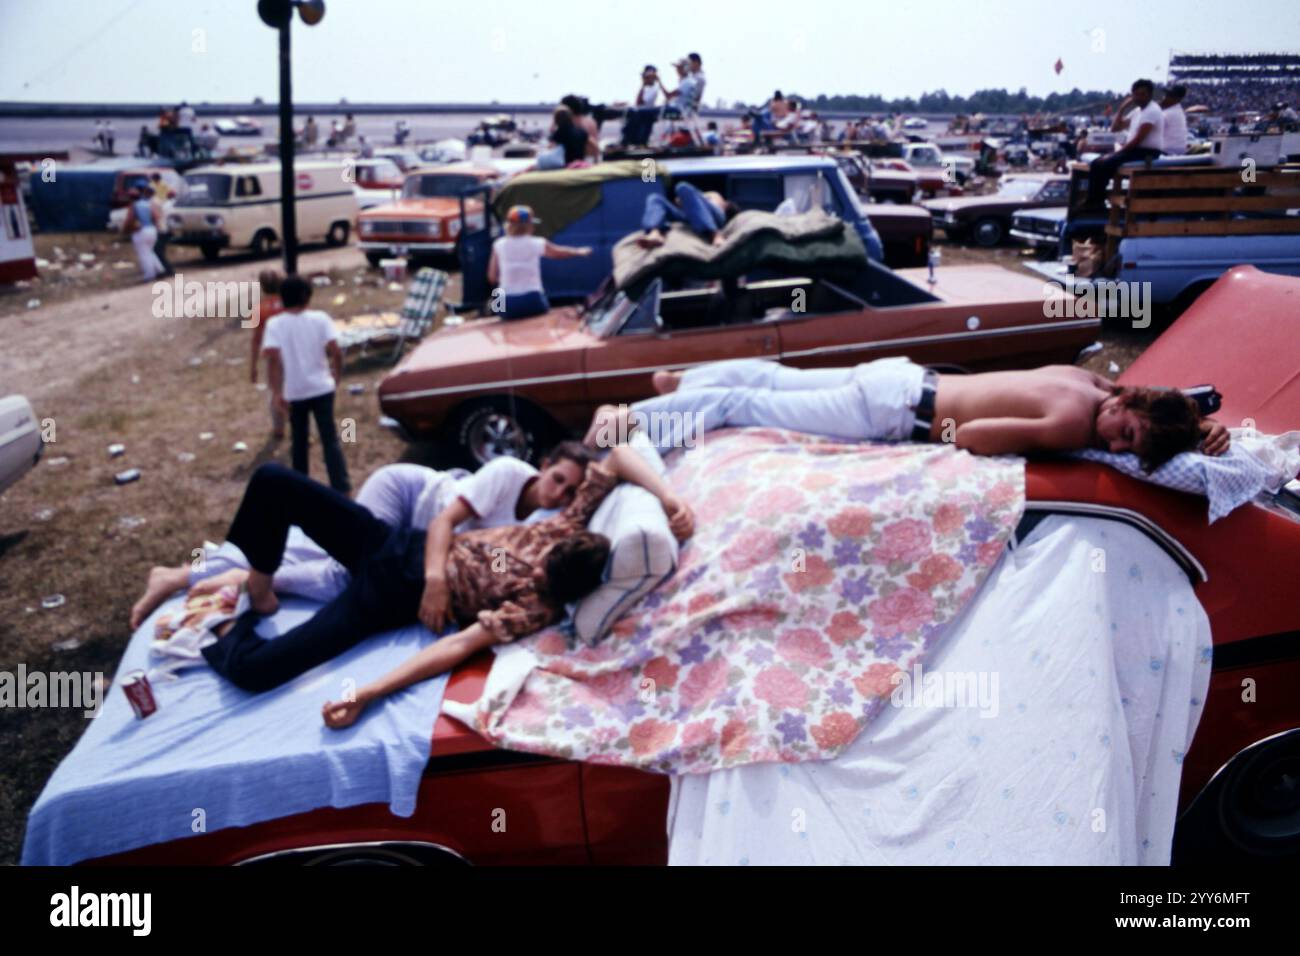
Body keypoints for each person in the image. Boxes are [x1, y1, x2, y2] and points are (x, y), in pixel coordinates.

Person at [195, 441, 692, 705]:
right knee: (273, 480)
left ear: (583, 589)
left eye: (580, 563)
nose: (568, 548)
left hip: (383, 597)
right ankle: (258, 588)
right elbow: (622, 452)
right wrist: (669, 499)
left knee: (257, 672)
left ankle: (225, 628)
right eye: (577, 543)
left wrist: (371, 691)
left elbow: (455, 646)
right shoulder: (560, 524)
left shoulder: (537, 609)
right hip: (391, 541)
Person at [130, 440, 599, 629]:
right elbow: (443, 524)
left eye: (571, 490)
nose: (559, 494)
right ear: (543, 466)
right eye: (557, 478)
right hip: (408, 497)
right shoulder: (506, 472)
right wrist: (437, 582)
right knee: (339, 574)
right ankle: (181, 577)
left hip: (409, 543)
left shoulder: (539, 526)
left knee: (321, 552)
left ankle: (234, 573)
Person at [622, 358, 1230, 472]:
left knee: (771, 376)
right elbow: (968, 437)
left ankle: (686, 380)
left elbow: (1161, 406)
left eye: (1127, 448)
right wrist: (1054, 449)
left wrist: (1198, 429)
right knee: (744, 407)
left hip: (906, 376)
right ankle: (634, 424)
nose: (1116, 448)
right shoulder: (1073, 427)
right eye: (1124, 435)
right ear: (1125, 405)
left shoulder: (1091, 384)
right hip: (896, 410)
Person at [262, 274, 351, 492]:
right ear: (306, 297)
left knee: (299, 443)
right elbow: (336, 352)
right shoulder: (320, 318)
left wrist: (276, 393)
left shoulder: (275, 324)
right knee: (330, 440)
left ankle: (301, 490)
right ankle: (342, 487)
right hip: (322, 387)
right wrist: (335, 377)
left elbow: (273, 361)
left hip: (295, 391)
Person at [487, 205, 592, 320]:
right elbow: (559, 253)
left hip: (507, 303)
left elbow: (492, 277)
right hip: (533, 300)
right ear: (528, 226)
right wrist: (579, 252)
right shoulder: (537, 243)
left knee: (498, 305)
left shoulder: (498, 245)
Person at [1084, 79, 1164, 209]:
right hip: (1135, 150)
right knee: (1096, 163)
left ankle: (1096, 201)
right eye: (1136, 94)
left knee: (1106, 163)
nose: (1139, 97)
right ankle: (1093, 200)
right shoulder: (1138, 111)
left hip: (1147, 152)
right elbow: (1115, 128)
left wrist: (1117, 153)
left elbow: (1139, 139)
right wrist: (1122, 108)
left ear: (1150, 95)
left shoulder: (1152, 111)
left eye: (1143, 94)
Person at [637, 181, 737, 249]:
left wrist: (685, 198)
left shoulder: (716, 197)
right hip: (692, 217)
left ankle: (715, 234)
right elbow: (683, 201)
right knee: (655, 198)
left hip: (713, 219)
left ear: (726, 204)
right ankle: (655, 233)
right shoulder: (699, 197)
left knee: (682, 187)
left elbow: (681, 200)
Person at [249, 269, 286, 439]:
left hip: (272, 355)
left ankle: (279, 426)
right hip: (290, 351)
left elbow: (256, 339)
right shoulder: (288, 303)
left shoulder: (259, 309)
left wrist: (253, 366)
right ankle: (300, 425)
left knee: (275, 390)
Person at [122, 187, 164, 281]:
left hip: (141, 231)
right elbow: (155, 217)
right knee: (149, 251)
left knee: (144, 254)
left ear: (130, 198)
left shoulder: (134, 206)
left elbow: (129, 220)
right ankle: (159, 270)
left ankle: (149, 275)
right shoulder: (147, 204)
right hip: (151, 230)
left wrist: (125, 229)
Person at [622, 65, 662, 147]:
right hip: (641, 110)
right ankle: (628, 140)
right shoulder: (645, 88)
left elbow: (640, 102)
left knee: (635, 114)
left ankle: (630, 141)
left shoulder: (654, 88)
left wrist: (643, 86)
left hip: (647, 111)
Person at [148, 173, 174, 276]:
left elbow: (156, 217)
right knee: (159, 250)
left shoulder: (153, 200)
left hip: (161, 228)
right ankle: (164, 270)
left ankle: (166, 270)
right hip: (163, 224)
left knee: (158, 250)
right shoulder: (164, 186)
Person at [1159, 85, 1189, 157]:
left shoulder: (1168, 113)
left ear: (1176, 99)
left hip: (1167, 152)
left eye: (1168, 96)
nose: (1164, 98)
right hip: (1178, 151)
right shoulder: (1178, 111)